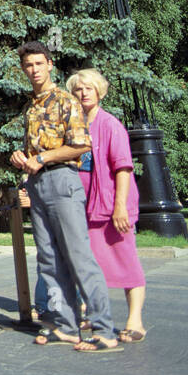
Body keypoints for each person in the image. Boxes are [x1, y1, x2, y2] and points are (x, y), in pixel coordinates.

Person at [10, 41, 121, 352]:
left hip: (62, 183)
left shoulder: (66, 101)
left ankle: (104, 330)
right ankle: (67, 326)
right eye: (28, 65)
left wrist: (43, 159)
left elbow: (81, 145)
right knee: (49, 260)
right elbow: (36, 152)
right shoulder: (31, 107)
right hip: (38, 185)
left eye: (38, 64)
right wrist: (23, 160)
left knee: (78, 257)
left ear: (50, 65)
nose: (33, 70)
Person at [68, 68, 147, 342]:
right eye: (78, 89)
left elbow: (123, 168)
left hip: (111, 206)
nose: (83, 93)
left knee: (126, 261)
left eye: (89, 88)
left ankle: (135, 320)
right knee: (89, 263)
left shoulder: (111, 124)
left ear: (99, 91)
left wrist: (120, 207)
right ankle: (93, 313)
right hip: (82, 206)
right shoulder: (73, 125)